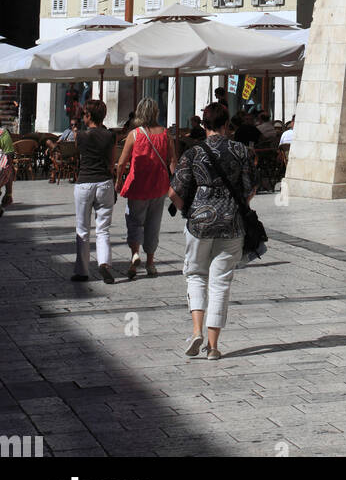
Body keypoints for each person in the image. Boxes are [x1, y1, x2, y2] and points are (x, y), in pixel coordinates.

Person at [168, 101, 255, 360]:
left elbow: (173, 191)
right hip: (232, 223)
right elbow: (250, 188)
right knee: (220, 283)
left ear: (204, 125)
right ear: (227, 124)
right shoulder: (241, 150)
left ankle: (196, 331)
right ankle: (214, 347)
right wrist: (236, 206)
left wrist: (187, 211)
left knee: (195, 274)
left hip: (199, 222)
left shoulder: (194, 153)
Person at [114, 97, 175, 280]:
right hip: (159, 185)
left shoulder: (134, 134)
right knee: (153, 224)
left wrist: (118, 181)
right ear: (156, 112)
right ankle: (150, 263)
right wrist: (176, 182)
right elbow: (172, 160)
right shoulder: (165, 134)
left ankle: (134, 254)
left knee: (134, 221)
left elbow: (122, 162)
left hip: (138, 185)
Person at [72, 98, 117, 283]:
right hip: (104, 182)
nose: (82, 117)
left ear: (89, 115)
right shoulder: (110, 136)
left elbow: (78, 152)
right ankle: (104, 263)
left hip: (84, 183)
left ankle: (82, 271)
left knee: (82, 229)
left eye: (84, 114)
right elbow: (111, 162)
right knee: (103, 229)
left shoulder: (80, 135)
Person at [0, 120, 15, 210]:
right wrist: (9, 193)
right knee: (8, 167)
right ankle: (8, 196)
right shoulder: (3, 133)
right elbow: (9, 159)